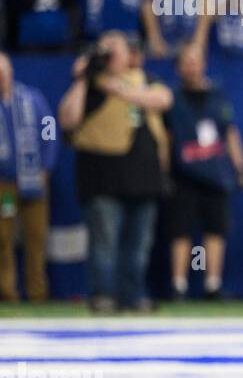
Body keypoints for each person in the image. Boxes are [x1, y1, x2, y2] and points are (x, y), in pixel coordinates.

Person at [57, 30, 172, 312]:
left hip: (144, 178)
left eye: (114, 49)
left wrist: (119, 88)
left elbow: (164, 99)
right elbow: (68, 120)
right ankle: (103, 295)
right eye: (104, 50)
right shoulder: (90, 86)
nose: (109, 55)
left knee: (139, 245)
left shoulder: (145, 80)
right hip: (102, 177)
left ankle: (133, 296)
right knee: (104, 242)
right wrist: (83, 78)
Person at [164, 45, 243, 300]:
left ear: (204, 64)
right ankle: (179, 284)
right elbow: (165, 137)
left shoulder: (217, 94)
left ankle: (212, 284)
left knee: (215, 230)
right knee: (181, 231)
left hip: (216, 173)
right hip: (184, 174)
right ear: (178, 67)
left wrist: (240, 166)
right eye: (186, 62)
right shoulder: (171, 98)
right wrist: (164, 169)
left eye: (195, 61)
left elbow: (230, 132)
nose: (191, 66)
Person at [0, 52, 57, 301]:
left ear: (11, 71)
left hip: (35, 183)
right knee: (4, 239)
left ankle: (37, 293)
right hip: (4, 187)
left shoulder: (32, 99)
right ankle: (8, 293)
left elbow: (50, 131)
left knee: (36, 238)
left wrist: (46, 166)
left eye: (4, 70)